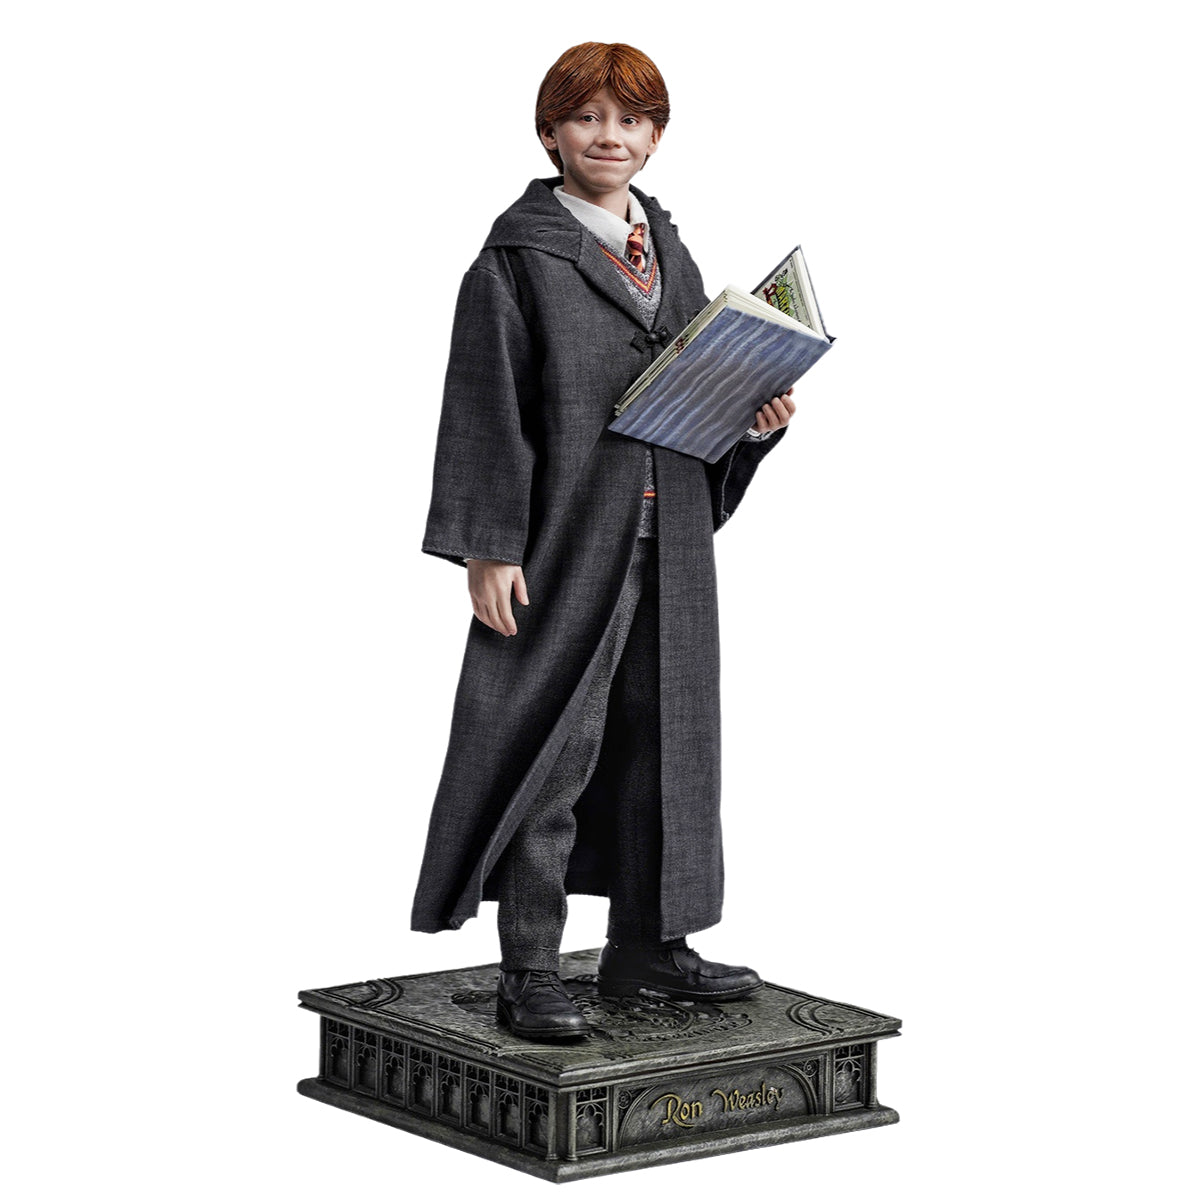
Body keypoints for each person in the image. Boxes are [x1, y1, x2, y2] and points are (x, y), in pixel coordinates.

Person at [411, 42, 796, 1040]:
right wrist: (488, 546)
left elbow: (696, 387)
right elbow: (485, 404)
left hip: (672, 533)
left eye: (631, 120)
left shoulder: (670, 252)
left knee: (669, 741)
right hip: (566, 542)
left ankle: (648, 948)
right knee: (551, 746)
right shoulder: (518, 258)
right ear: (550, 133)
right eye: (587, 117)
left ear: (656, 137)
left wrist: (754, 421)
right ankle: (530, 968)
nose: (609, 136)